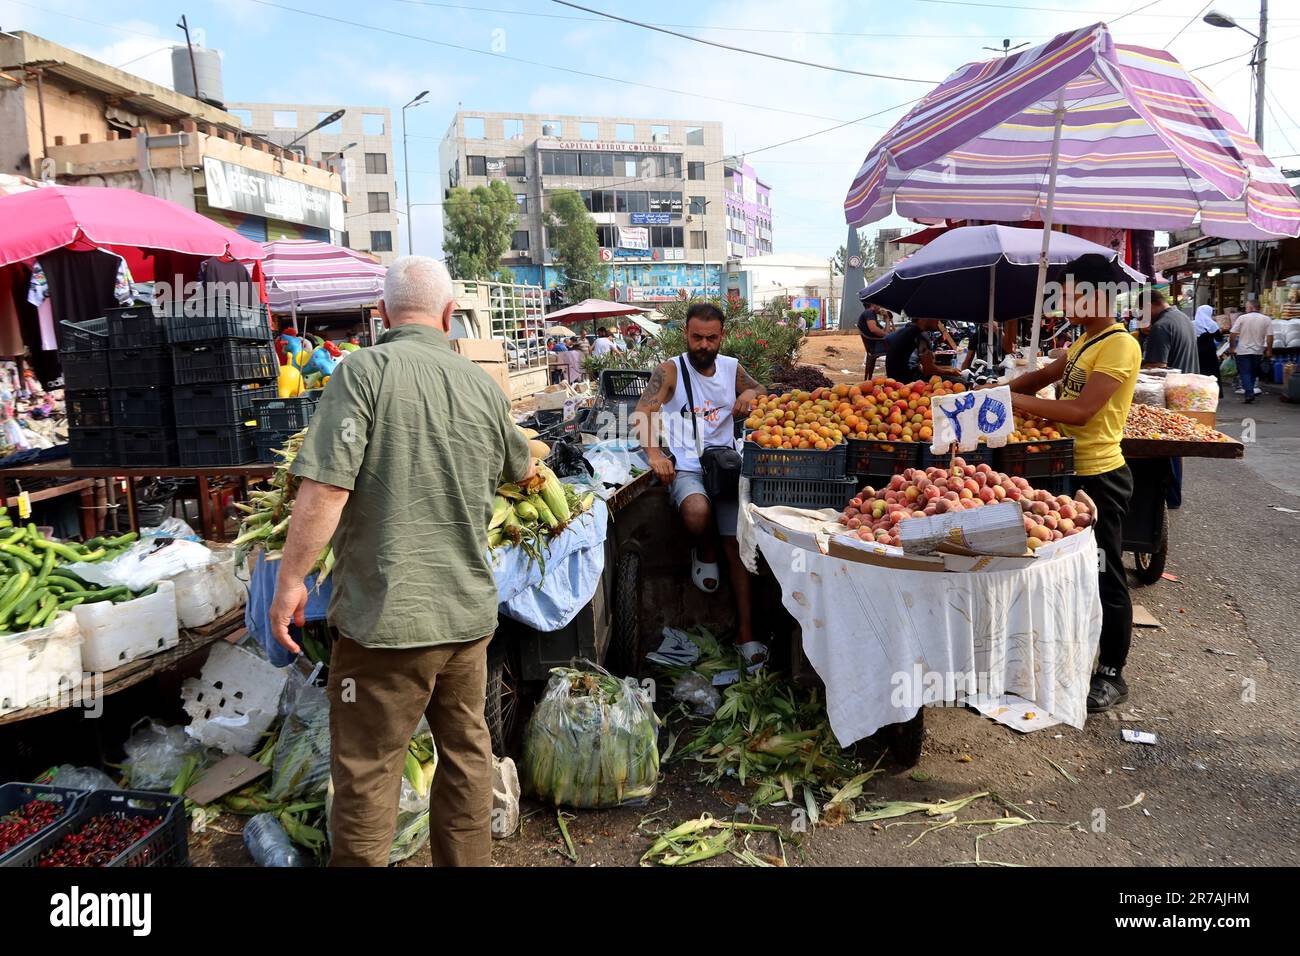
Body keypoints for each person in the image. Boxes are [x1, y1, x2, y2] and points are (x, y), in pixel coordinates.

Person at [268, 256, 534, 867]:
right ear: (449, 315)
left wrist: (290, 581)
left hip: (385, 622)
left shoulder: (362, 373)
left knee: (368, 769)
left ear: (381, 314)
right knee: (467, 756)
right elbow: (523, 471)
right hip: (466, 619)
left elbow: (327, 489)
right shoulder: (480, 386)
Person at [1003, 253, 1141, 713]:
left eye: (1071, 295)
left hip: (1099, 474)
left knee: (1105, 573)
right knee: (1067, 572)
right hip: (1064, 468)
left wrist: (1018, 402)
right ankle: (1068, 652)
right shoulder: (1084, 341)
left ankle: (1112, 673)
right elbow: (1044, 375)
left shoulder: (1120, 346)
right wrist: (994, 396)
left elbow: (1083, 410)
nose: (1065, 304)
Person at [634, 302, 762, 645]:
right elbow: (643, 410)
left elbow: (762, 391)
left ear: (722, 336)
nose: (703, 345)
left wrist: (749, 392)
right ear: (685, 334)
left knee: (737, 544)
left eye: (711, 338)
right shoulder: (670, 371)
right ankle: (703, 547)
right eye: (696, 338)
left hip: (724, 467)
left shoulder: (732, 368)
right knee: (696, 513)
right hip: (688, 467)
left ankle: (746, 632)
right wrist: (654, 453)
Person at [884, 316, 963, 384]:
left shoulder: (905, 330)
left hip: (894, 380)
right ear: (925, 318)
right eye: (936, 318)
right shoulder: (921, 335)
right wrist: (950, 371)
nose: (939, 322)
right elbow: (929, 370)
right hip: (908, 381)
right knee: (961, 381)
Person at [1141, 290, 1198, 373]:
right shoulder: (1184, 317)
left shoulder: (1161, 326)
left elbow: (1157, 367)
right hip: (1188, 380)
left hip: (1173, 383)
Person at [1230, 298, 1274, 404]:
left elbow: (1232, 334)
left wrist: (1232, 347)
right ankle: (1250, 391)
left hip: (1242, 350)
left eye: (1246, 307)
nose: (1245, 309)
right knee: (1253, 373)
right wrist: (1269, 350)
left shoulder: (1242, 318)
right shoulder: (1266, 319)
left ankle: (1249, 393)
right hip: (1258, 350)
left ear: (1250, 307)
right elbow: (1270, 336)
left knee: (1245, 372)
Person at [857, 304, 892, 379]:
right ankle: (897, 375)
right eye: (879, 305)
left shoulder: (871, 314)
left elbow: (886, 332)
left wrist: (887, 319)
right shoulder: (869, 313)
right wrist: (887, 336)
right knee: (900, 348)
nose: (880, 307)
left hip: (876, 344)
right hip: (876, 346)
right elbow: (873, 329)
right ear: (873, 304)